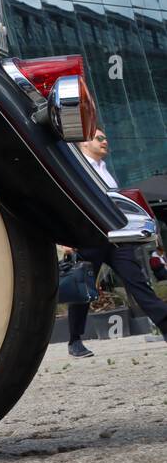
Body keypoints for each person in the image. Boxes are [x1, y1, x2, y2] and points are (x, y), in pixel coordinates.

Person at [61, 127, 167, 357]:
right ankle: (75, 340)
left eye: (105, 137)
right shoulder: (78, 168)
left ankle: (165, 324)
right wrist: (67, 238)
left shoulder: (106, 171)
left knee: (137, 281)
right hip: (88, 237)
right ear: (84, 144)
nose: (105, 141)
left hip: (116, 238)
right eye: (99, 138)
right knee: (83, 289)